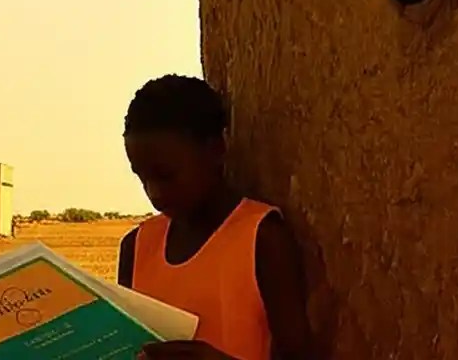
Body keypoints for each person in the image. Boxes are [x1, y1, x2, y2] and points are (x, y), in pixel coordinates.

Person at [116, 74, 316, 360]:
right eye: (142, 177)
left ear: (215, 150)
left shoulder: (261, 238)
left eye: (166, 176)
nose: (154, 193)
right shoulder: (136, 247)